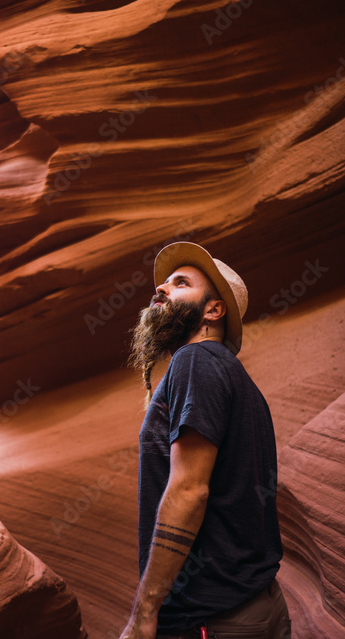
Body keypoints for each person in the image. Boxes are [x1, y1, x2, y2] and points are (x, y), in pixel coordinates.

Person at [119, 242, 290, 639]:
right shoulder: (238, 379)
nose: (161, 288)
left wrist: (145, 612)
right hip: (258, 602)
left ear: (213, 310)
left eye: (181, 283)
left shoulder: (194, 360)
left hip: (210, 619)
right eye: (164, 282)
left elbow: (189, 490)